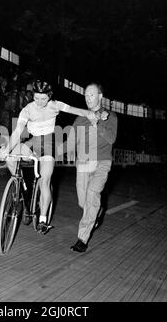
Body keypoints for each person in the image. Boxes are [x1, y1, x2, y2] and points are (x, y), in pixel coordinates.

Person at [0, 79, 97, 234]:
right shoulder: (27, 110)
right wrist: (7, 149)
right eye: (36, 98)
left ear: (49, 96)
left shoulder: (55, 105)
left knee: (45, 181)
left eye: (43, 98)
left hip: (49, 144)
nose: (40, 102)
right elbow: (17, 132)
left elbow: (77, 111)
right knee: (9, 155)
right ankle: (19, 187)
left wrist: (92, 114)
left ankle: (42, 219)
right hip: (32, 142)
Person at [61, 83, 118, 252]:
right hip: (84, 163)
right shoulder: (80, 118)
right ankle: (96, 211)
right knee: (83, 202)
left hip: (102, 163)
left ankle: (82, 239)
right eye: (86, 96)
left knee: (92, 194)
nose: (88, 99)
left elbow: (111, 139)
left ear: (100, 96)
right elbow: (70, 143)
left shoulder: (110, 117)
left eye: (91, 95)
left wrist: (96, 124)